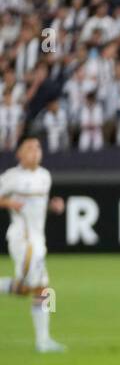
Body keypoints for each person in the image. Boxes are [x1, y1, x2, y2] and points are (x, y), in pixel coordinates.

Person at [0, 136, 65, 352]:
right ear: (19, 154)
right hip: (23, 240)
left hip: (38, 240)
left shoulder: (45, 176)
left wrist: (52, 206)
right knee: (38, 288)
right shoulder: (12, 177)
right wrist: (8, 201)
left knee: (34, 288)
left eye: (38, 147)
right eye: (29, 148)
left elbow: (37, 205)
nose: (35, 151)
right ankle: (43, 341)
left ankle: (43, 341)